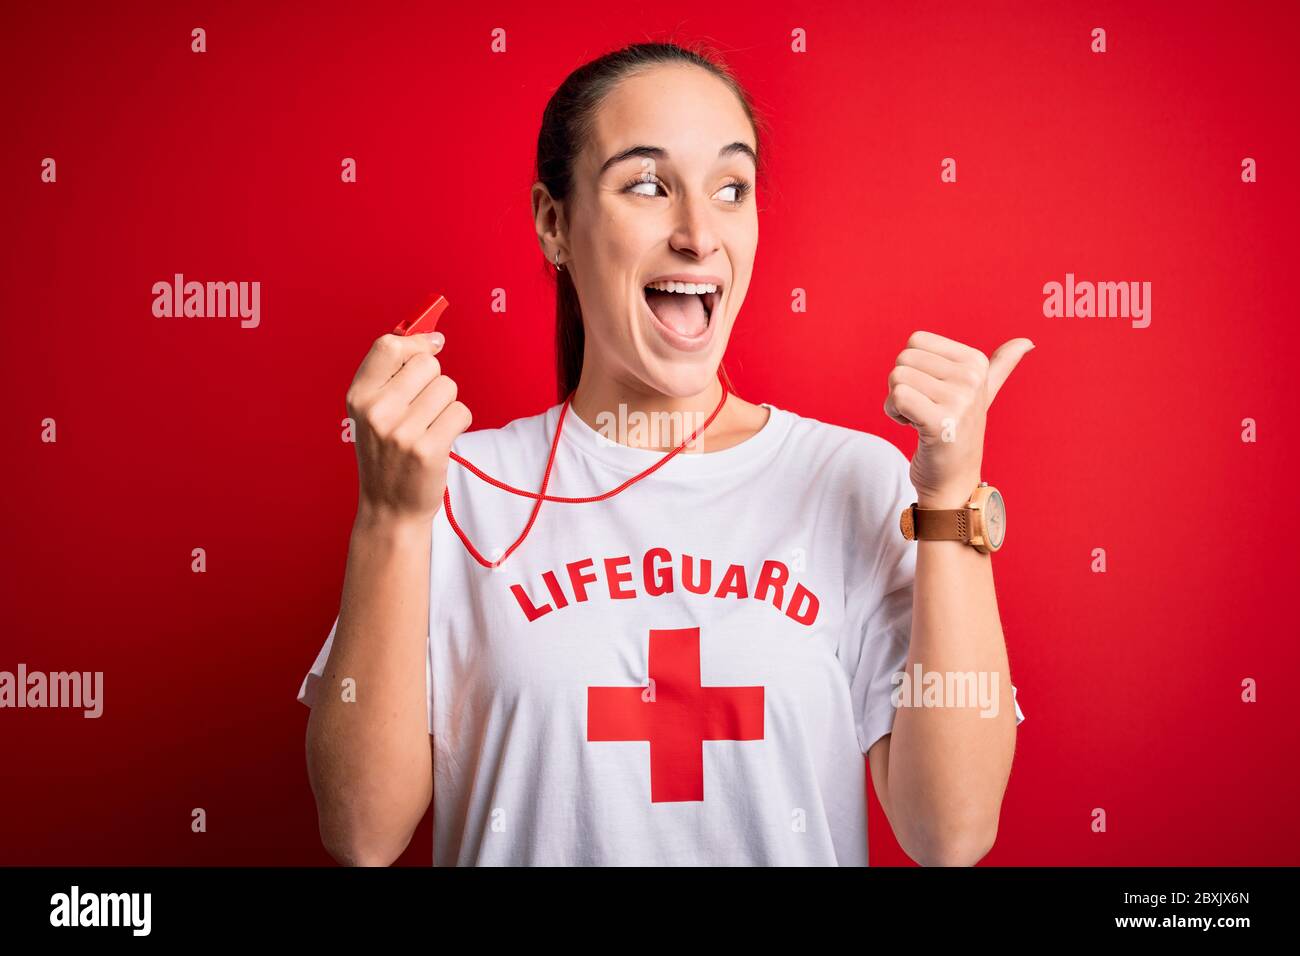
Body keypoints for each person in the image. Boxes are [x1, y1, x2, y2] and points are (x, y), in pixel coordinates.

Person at [297, 40, 1028, 866]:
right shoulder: (455, 488)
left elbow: (952, 834)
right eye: (647, 184)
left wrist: (951, 496)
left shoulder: (854, 482)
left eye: (731, 188)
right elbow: (361, 833)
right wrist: (391, 520)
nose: (697, 234)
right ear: (554, 223)